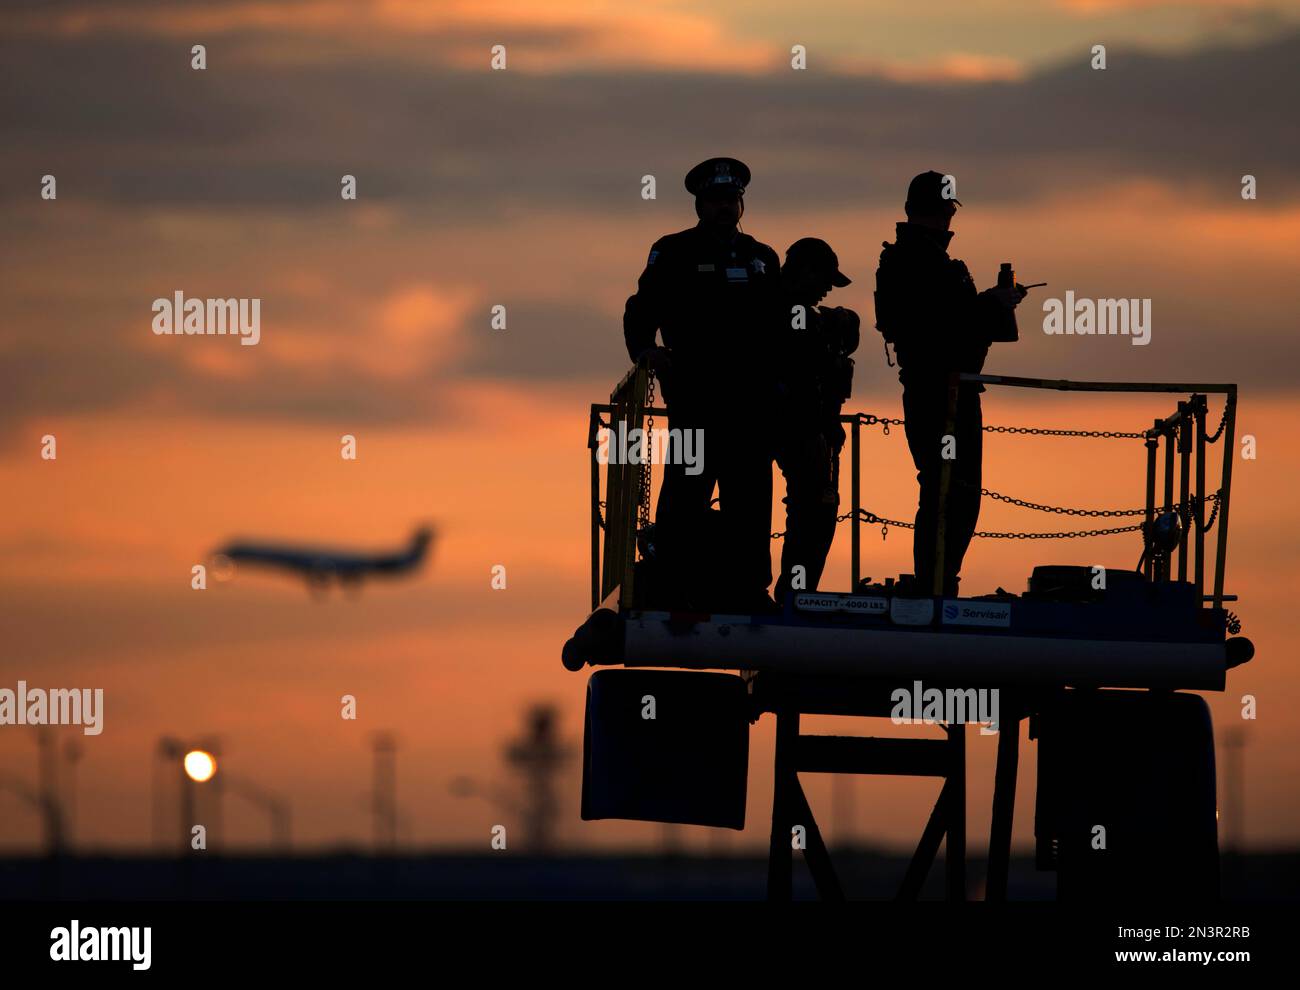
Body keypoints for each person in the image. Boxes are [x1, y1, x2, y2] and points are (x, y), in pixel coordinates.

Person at [623, 157, 782, 613]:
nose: (724, 208)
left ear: (741, 203)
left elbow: (777, 325)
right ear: (699, 204)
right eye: (715, 200)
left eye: (731, 200)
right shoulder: (673, 251)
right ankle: (676, 588)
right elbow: (642, 307)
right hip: (696, 397)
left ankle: (750, 591)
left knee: (750, 498)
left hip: (750, 403)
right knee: (686, 493)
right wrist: (644, 350)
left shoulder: (763, 258)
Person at [873, 171, 1024, 596]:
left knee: (953, 490)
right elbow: (931, 325)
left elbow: (959, 324)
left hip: (954, 389)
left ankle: (939, 580)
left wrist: (995, 304)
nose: (944, 219)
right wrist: (989, 302)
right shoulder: (909, 261)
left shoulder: (924, 261)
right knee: (948, 489)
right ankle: (935, 583)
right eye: (942, 211)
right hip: (938, 392)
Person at [772, 237, 859, 604]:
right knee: (810, 510)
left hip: (810, 426)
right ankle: (794, 593)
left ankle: (798, 592)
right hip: (784, 423)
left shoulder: (804, 314)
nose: (826, 289)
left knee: (816, 509)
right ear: (804, 272)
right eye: (824, 279)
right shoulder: (775, 308)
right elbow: (801, 342)